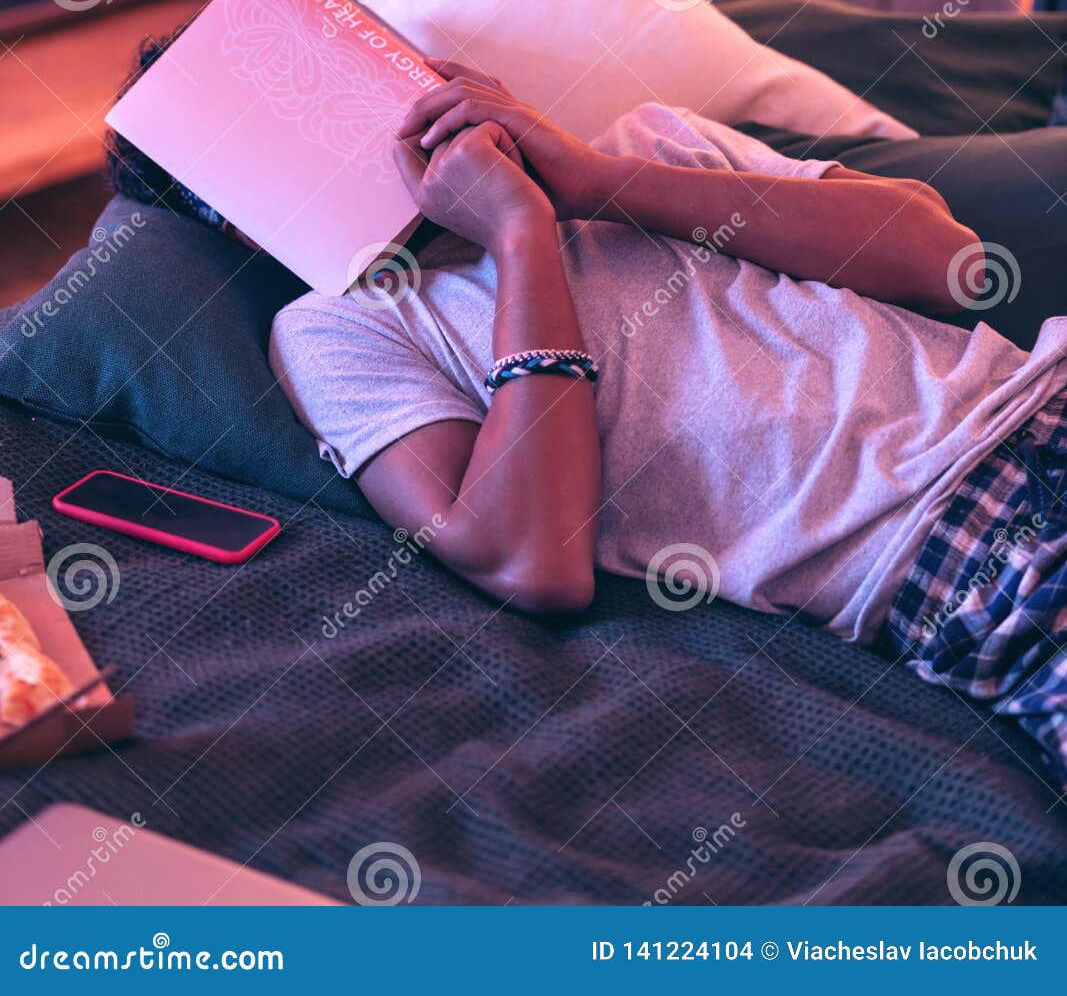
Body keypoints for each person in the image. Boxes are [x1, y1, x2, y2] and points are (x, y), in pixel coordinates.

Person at [107, 45, 1067, 787]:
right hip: (968, 555)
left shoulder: (650, 143)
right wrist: (518, 236)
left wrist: (589, 185)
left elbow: (946, 262)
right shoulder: (341, 329)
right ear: (244, 221)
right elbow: (532, 559)